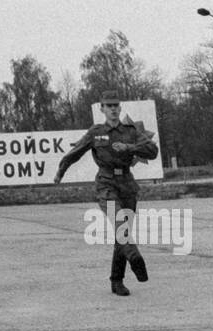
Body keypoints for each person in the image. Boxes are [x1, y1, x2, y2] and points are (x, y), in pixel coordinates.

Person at [53, 91, 159, 296]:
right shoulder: (96, 132)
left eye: (115, 105)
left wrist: (129, 147)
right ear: (102, 109)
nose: (112, 109)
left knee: (123, 231)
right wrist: (61, 170)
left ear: (120, 108)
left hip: (127, 184)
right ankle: (135, 257)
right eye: (108, 106)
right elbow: (76, 152)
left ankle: (116, 281)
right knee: (120, 223)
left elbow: (152, 151)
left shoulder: (130, 131)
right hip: (106, 184)